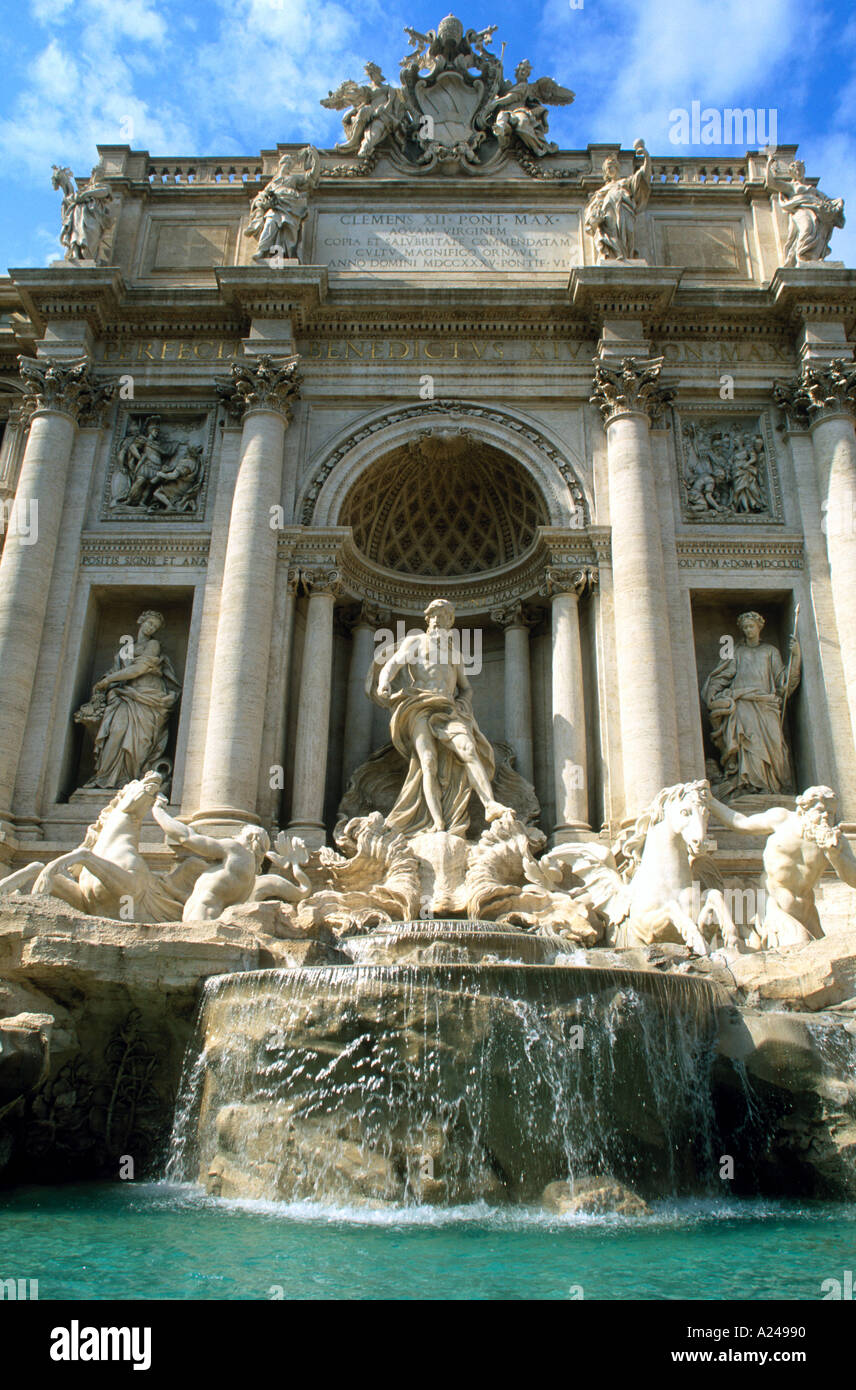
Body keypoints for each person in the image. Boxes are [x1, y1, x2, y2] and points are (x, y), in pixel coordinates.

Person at [369, 599, 509, 836]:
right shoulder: (416, 642)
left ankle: (489, 805)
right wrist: (384, 684)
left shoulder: (454, 654)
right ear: (427, 619)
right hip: (418, 706)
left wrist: (463, 705)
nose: (436, 620)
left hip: (447, 708)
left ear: (449, 621)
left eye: (441, 615)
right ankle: (438, 824)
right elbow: (392, 664)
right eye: (432, 615)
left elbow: (466, 687)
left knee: (468, 749)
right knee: (428, 762)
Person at [709, 786, 856, 948]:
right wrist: (710, 802)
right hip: (772, 903)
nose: (826, 816)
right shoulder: (782, 819)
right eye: (820, 810)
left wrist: (835, 856)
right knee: (801, 946)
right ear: (803, 809)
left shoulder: (836, 840)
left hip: (807, 911)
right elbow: (740, 823)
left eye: (831, 812)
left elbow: (853, 879)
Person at [78, 611, 180, 788]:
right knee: (116, 732)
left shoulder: (153, 644)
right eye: (149, 623)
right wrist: (108, 680)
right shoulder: (127, 647)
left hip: (148, 697)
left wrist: (109, 680)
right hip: (124, 695)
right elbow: (117, 670)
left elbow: (139, 669)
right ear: (141, 622)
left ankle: (131, 779)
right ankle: (106, 777)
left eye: (155, 626)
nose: (151, 628)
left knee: (140, 741)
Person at [702, 611, 800, 795]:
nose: (748, 630)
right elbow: (722, 675)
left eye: (751, 626)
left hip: (766, 704)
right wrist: (713, 694)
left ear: (759, 627)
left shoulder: (770, 651)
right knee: (748, 743)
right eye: (745, 627)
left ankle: (772, 787)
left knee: (774, 746)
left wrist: (796, 657)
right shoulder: (735, 651)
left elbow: (783, 682)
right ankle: (749, 785)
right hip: (743, 703)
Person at [150, 797, 270, 921]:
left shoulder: (237, 849)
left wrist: (158, 812)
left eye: (240, 835)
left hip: (200, 919)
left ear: (250, 837)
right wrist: (173, 891)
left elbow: (187, 837)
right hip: (203, 918)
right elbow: (208, 897)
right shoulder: (249, 880)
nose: (235, 837)